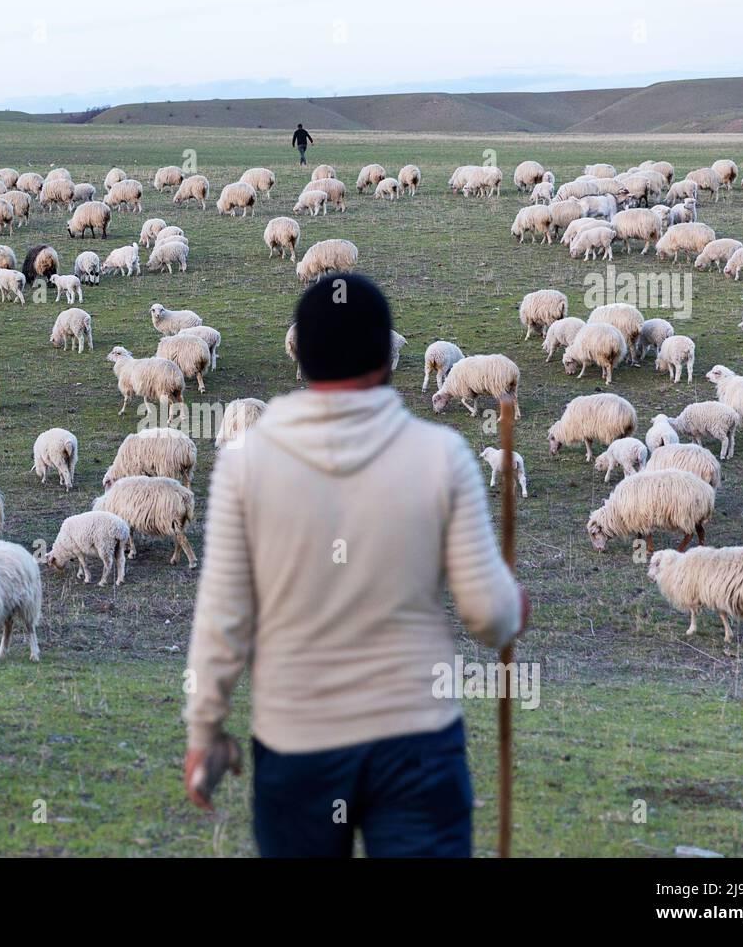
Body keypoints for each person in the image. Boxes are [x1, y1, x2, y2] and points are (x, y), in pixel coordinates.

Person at [182, 274, 527, 858]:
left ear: (304, 356)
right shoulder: (440, 455)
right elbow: (488, 614)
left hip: (298, 741)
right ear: (386, 359)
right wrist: (512, 607)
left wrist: (204, 731)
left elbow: (222, 618)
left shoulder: (246, 466)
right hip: (416, 740)